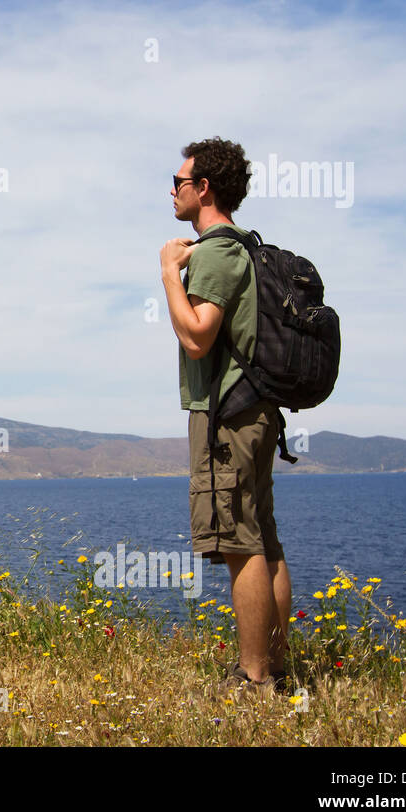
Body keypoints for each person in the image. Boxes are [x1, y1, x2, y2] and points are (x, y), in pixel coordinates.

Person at [158, 136, 291, 696]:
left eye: (179, 181)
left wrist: (169, 271)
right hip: (256, 408)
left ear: (204, 188)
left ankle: (254, 678)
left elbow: (196, 336)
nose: (172, 190)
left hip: (226, 415)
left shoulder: (212, 251)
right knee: (263, 540)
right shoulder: (243, 248)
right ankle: (277, 670)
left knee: (239, 544)